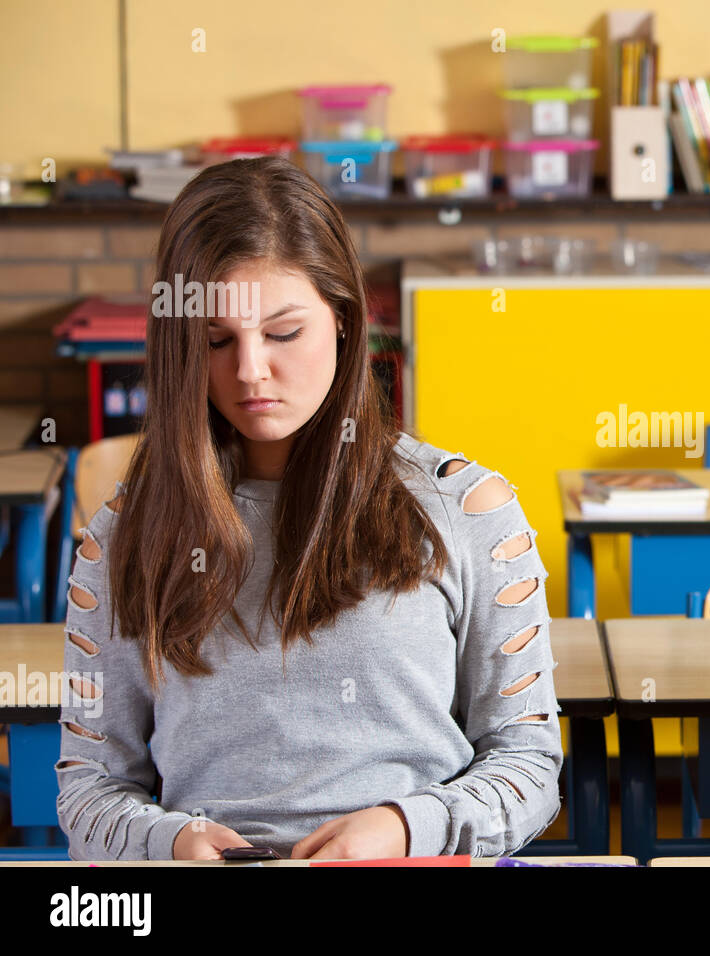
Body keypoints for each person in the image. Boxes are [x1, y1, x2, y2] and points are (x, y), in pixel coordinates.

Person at [56, 157, 562, 860]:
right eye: (216, 341)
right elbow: (89, 790)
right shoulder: (120, 537)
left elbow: (529, 766)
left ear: (344, 322)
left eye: (284, 333)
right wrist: (172, 842)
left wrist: (405, 826)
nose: (250, 370)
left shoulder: (467, 508)